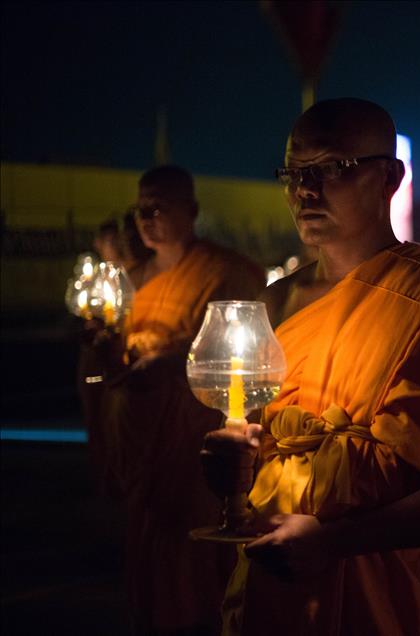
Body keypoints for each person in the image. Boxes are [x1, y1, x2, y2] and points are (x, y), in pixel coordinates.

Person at [201, 98, 420, 635]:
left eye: (332, 169)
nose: (306, 190)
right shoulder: (273, 305)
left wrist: (335, 541)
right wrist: (232, 466)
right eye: (295, 173)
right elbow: (255, 450)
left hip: (397, 596)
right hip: (276, 585)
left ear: (391, 178)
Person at [94, 165, 265, 634]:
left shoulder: (224, 273)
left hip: (192, 439)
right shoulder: (136, 278)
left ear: (191, 211)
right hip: (141, 435)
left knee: (195, 550)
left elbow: (231, 351)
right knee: (149, 546)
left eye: (159, 207)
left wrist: (172, 361)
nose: (147, 218)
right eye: (140, 209)